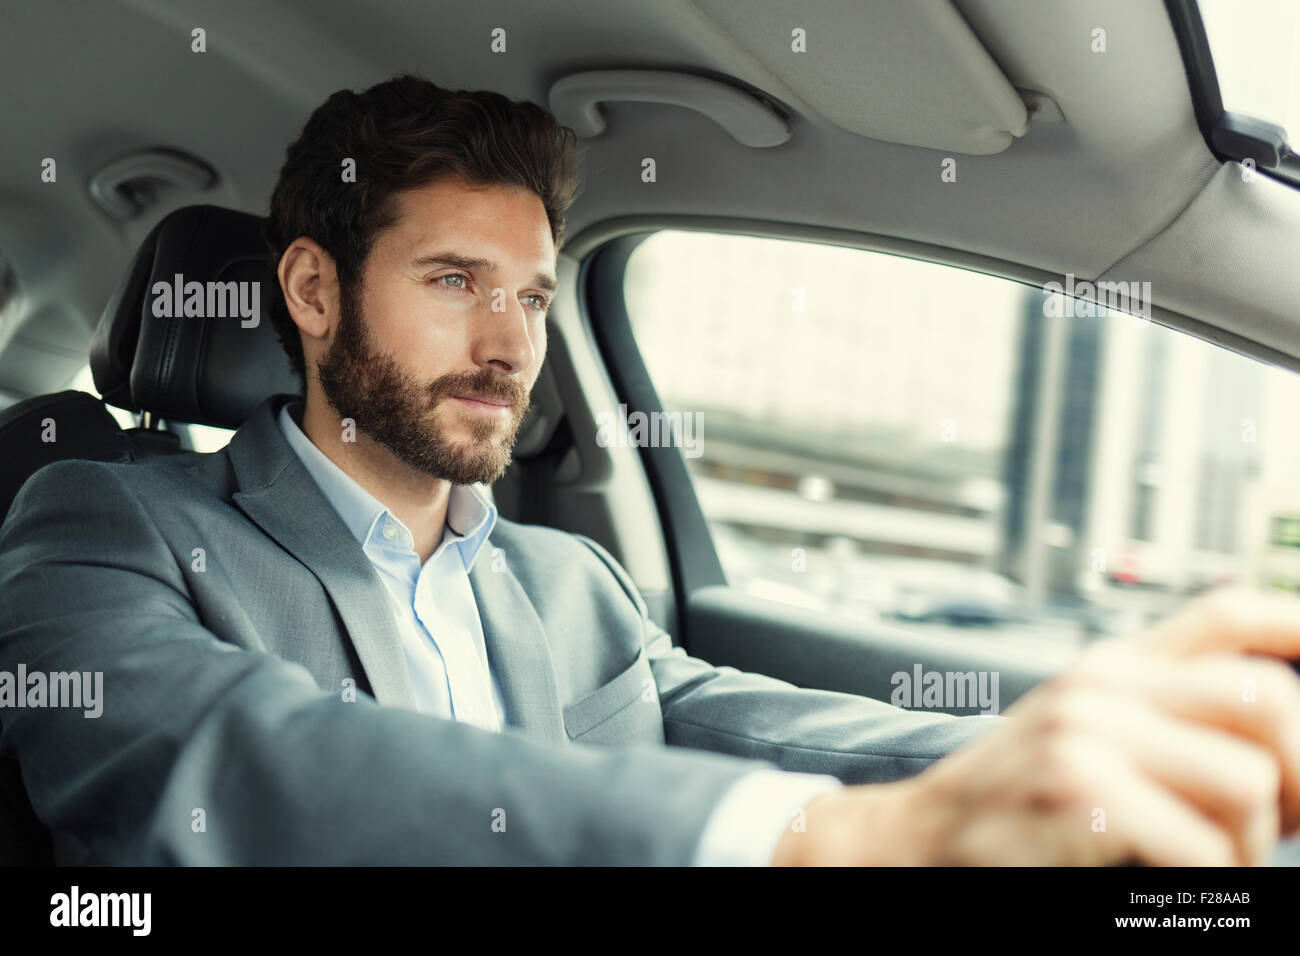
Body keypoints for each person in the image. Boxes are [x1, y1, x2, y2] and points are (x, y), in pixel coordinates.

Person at [2, 74, 1298, 866]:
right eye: (454, 282)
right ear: (313, 290)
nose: (511, 342)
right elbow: (235, 768)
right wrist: (821, 849)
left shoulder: (572, 583)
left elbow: (763, 722)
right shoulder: (104, 526)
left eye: (533, 294)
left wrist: (1117, 751)